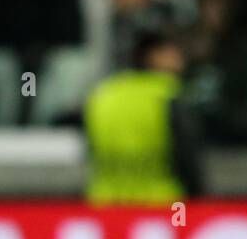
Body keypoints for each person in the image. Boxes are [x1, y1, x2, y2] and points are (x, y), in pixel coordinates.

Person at [83, 33, 202, 205]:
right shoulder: (168, 94)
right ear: (153, 56)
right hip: (160, 206)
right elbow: (186, 158)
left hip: (105, 205)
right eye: (173, 52)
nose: (181, 59)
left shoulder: (103, 94)